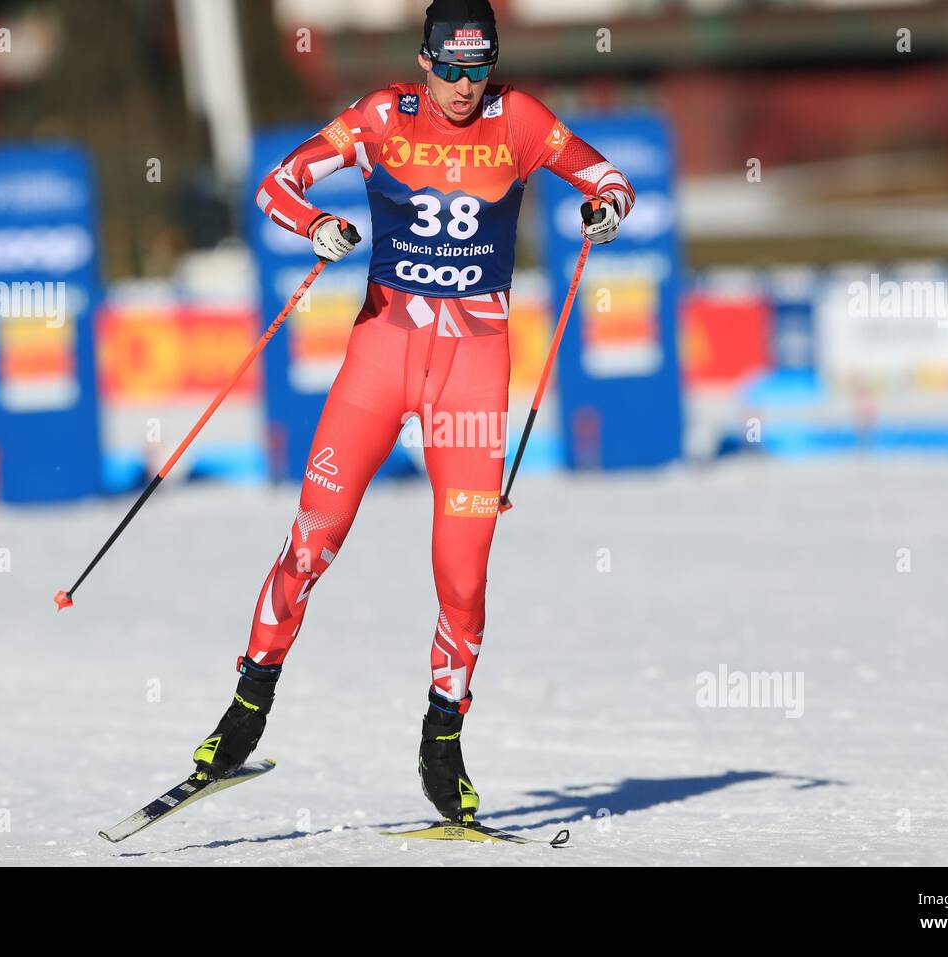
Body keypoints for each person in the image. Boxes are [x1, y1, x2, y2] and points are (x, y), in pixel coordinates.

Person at [192, 0, 634, 823]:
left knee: (464, 577)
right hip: (382, 356)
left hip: (473, 368)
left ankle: (442, 740)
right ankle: (245, 710)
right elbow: (275, 184)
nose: (465, 86)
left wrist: (604, 211)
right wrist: (319, 223)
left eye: (480, 67)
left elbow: (608, 178)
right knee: (311, 540)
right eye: (450, 68)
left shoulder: (521, 120)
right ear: (424, 59)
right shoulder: (381, 117)